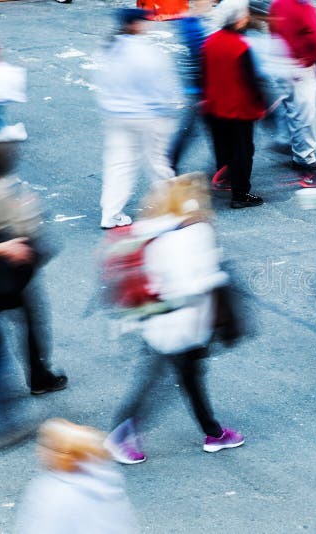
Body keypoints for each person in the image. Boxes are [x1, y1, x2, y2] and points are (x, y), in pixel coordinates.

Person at [104, 175, 244, 464]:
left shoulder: (151, 229)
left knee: (187, 375)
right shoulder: (193, 233)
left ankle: (213, 432)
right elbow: (192, 285)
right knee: (161, 380)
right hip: (182, 324)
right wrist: (217, 277)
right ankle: (121, 434)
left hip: (156, 319)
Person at [94, 8, 182, 229]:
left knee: (119, 165)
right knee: (157, 164)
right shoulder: (148, 53)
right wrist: (167, 109)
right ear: (136, 24)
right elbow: (163, 87)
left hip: (117, 116)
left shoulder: (109, 49)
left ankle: (110, 214)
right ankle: (169, 210)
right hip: (148, 116)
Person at [0, 142, 67, 396]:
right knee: (30, 320)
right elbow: (33, 231)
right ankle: (39, 376)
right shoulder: (10, 189)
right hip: (12, 276)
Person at [15, 419, 138, 534]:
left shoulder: (58, 494)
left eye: (49, 447)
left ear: (69, 457)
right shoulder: (104, 478)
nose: (40, 451)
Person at [202, 0, 266, 208]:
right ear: (238, 21)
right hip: (238, 109)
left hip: (215, 106)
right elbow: (251, 80)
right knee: (243, 151)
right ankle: (240, 194)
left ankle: (225, 177)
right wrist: (262, 105)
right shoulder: (240, 47)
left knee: (224, 146)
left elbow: (202, 75)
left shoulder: (210, 42)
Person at [266, 0, 316, 172]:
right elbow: (314, 37)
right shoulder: (302, 8)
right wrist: (303, 61)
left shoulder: (279, 4)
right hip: (300, 67)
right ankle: (304, 156)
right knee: (304, 113)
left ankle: (290, 142)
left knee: (292, 108)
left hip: (288, 64)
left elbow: (274, 31)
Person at [168, 0, 216, 174]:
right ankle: (170, 163)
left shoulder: (191, 22)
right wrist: (203, 88)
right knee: (204, 127)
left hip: (197, 88)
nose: (212, 3)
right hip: (200, 89)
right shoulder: (193, 25)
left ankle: (171, 162)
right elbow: (199, 59)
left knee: (201, 128)